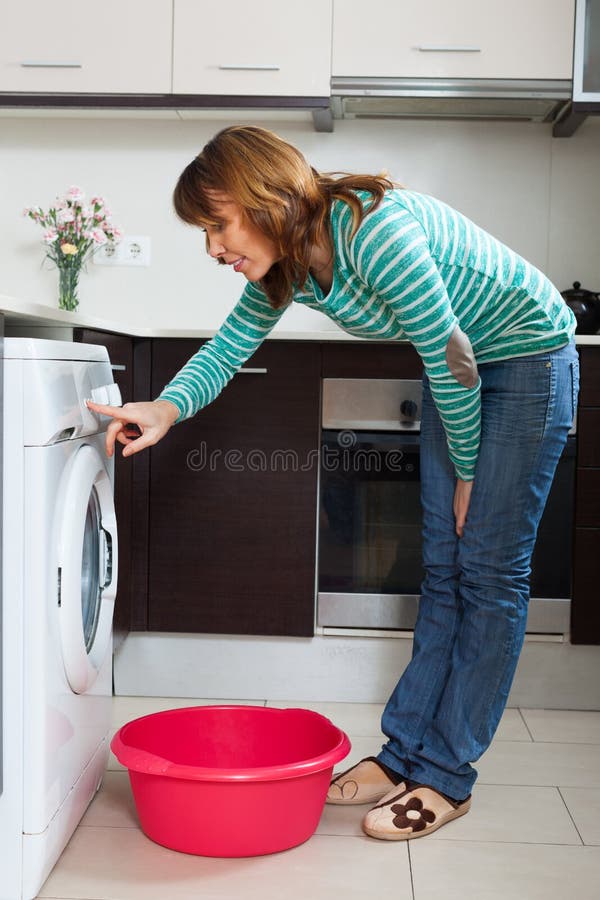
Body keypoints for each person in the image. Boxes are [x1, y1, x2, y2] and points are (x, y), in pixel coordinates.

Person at [87, 125, 578, 841]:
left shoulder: (372, 231)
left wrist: (468, 473)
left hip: (525, 360)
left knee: (490, 572)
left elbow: (451, 352)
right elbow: (227, 349)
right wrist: (163, 408)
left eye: (218, 224)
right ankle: (405, 752)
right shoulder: (285, 264)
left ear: (265, 196)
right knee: (442, 569)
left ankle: (446, 775)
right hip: (463, 374)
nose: (215, 248)